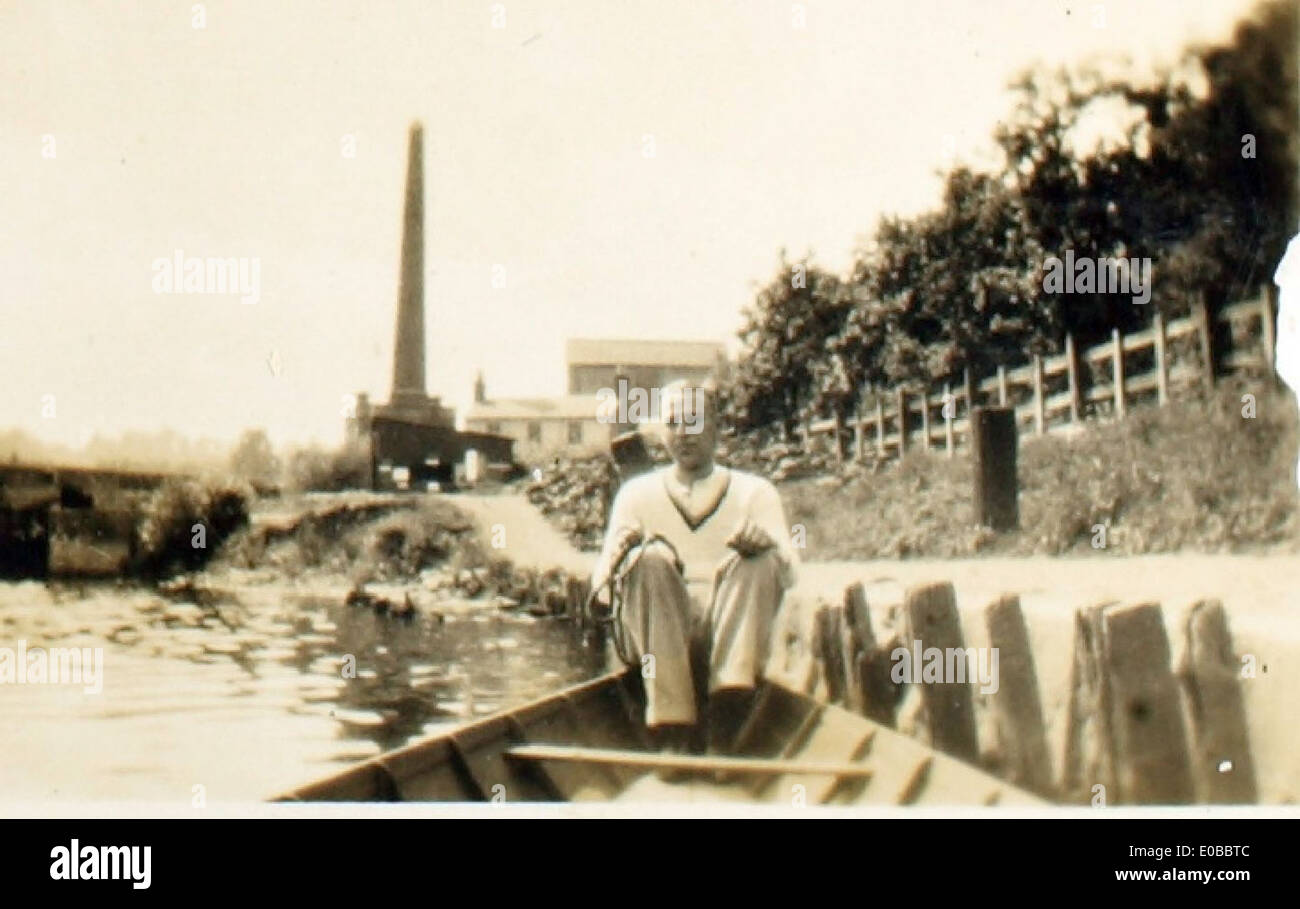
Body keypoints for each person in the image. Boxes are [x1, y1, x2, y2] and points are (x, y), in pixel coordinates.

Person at [589, 379, 799, 755]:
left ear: (716, 425)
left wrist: (765, 546)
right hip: (659, 647)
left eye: (693, 420)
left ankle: (727, 717)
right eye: (672, 423)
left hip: (733, 640)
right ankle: (673, 728)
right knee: (648, 560)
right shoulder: (636, 494)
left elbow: (790, 576)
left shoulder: (755, 492)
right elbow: (601, 596)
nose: (683, 433)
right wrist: (620, 563)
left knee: (758, 558)